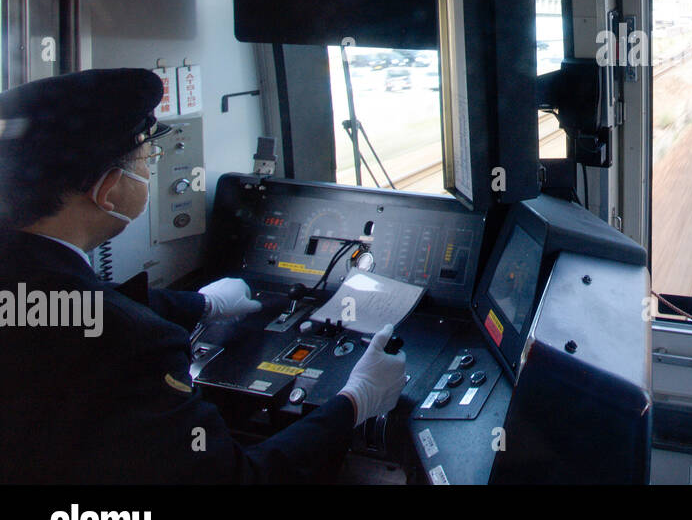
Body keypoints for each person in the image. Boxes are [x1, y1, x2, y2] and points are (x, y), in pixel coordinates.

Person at [0, 68, 407, 483]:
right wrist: (354, 402)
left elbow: (66, 302)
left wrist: (202, 305)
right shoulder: (137, 348)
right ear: (108, 190)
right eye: (147, 156)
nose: (150, 166)